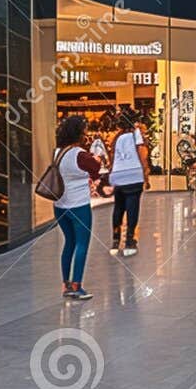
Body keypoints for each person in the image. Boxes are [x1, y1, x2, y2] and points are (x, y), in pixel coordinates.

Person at [52, 113, 102, 300]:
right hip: (79, 205)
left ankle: (65, 285)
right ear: (79, 134)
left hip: (59, 205)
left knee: (69, 243)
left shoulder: (57, 152)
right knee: (82, 244)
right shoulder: (80, 155)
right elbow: (96, 167)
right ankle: (77, 285)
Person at [108, 109, 150, 257]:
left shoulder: (117, 137)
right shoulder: (135, 134)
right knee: (132, 207)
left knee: (118, 208)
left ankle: (115, 239)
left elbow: (112, 158)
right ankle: (129, 241)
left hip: (118, 175)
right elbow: (142, 154)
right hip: (133, 175)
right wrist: (146, 174)